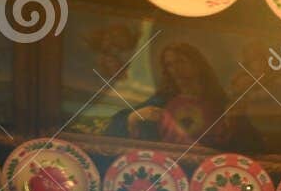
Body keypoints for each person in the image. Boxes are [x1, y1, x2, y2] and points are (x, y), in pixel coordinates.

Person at [109, 42, 262, 152]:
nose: (175, 69)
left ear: (197, 64)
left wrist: (237, 124)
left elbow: (253, 146)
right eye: (169, 64)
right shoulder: (163, 100)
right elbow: (114, 127)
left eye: (181, 62)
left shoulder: (221, 103)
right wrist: (133, 117)